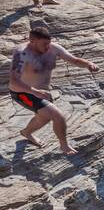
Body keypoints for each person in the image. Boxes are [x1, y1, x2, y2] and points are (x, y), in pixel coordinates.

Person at [9, 25, 98, 155]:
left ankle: (26, 133)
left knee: (44, 117)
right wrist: (34, 91)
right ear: (32, 41)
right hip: (23, 93)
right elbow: (14, 82)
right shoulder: (21, 53)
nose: (47, 47)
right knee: (58, 116)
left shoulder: (53, 48)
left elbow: (74, 60)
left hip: (41, 93)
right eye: (44, 44)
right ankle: (64, 146)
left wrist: (88, 64)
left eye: (49, 43)